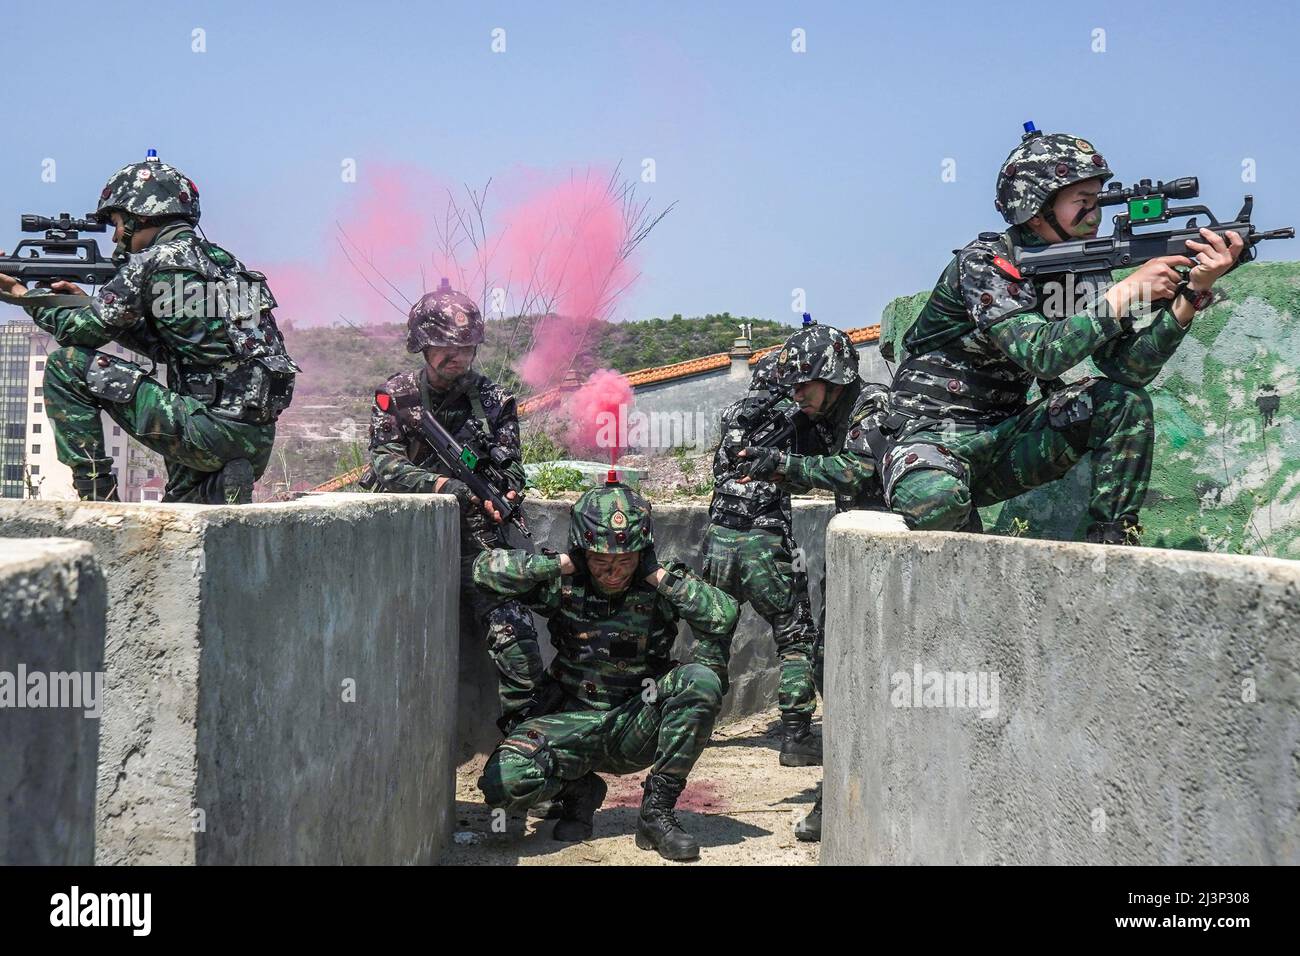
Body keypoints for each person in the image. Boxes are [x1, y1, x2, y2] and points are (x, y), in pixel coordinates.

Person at [881, 125, 1243, 542]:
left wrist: (1190, 295)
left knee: (1121, 403)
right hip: (928, 439)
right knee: (937, 502)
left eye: (1099, 201)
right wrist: (1125, 293)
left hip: (1002, 439)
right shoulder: (983, 263)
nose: (1096, 215)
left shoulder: (1081, 271)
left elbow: (1128, 369)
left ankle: (1111, 542)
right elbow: (1040, 355)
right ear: (1035, 207)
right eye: (1083, 203)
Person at [0, 152, 297, 502]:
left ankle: (97, 495)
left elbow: (81, 334)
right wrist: (87, 304)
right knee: (181, 510)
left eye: (117, 223)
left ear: (141, 216)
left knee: (67, 366)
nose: (115, 237)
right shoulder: (227, 266)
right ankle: (217, 486)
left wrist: (25, 296)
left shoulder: (155, 263)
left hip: (205, 430)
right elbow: (170, 344)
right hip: (252, 438)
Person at [473, 478, 739, 861]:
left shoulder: (657, 585)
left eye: (625, 561)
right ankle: (579, 792)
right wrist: (561, 564)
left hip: (636, 721)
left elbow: (723, 614)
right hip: (571, 720)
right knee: (505, 782)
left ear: (642, 554)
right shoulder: (564, 583)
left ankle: (657, 813)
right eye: (600, 561)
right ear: (582, 553)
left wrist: (657, 575)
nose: (613, 573)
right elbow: (486, 571)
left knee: (700, 682)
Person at [364, 279, 546, 735]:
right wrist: (442, 484)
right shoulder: (397, 395)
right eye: (444, 347)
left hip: (476, 540)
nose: (457, 356)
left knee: (515, 634)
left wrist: (506, 493)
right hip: (403, 537)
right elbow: (385, 463)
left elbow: (511, 469)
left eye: (465, 347)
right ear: (422, 346)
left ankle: (527, 743)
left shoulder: (495, 402)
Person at [690, 352, 822, 766]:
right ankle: (796, 736)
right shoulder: (793, 417)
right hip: (763, 541)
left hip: (718, 539)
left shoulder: (732, 411)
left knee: (711, 639)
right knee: (795, 638)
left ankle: (693, 729)